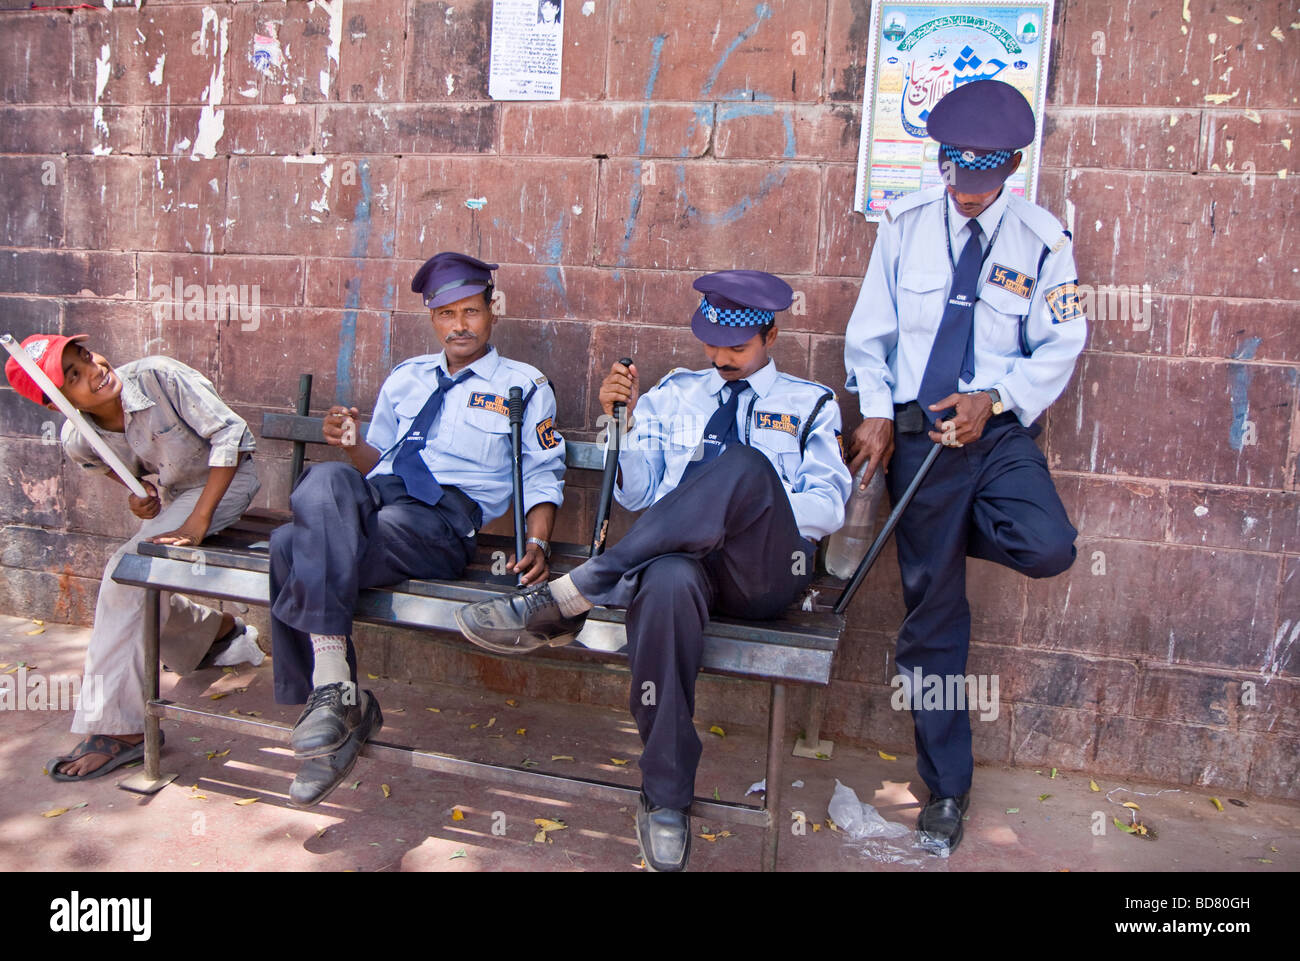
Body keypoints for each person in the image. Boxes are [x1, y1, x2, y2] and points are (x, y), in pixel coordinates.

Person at [455, 270, 852, 871]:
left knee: (743, 468)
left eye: (737, 348)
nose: (721, 359)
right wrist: (623, 422)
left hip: (759, 571)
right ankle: (666, 797)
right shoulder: (672, 394)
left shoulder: (810, 403)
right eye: (713, 344)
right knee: (666, 579)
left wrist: (738, 502)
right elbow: (638, 495)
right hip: (673, 566)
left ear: (770, 333)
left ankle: (578, 590)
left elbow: (826, 505)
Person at [843, 79, 1087, 854]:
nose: (968, 190)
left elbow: (1063, 343)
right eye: (956, 171)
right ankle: (947, 786)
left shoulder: (1047, 241)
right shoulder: (904, 225)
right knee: (934, 617)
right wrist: (878, 410)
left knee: (1048, 545)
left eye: (985, 176)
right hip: (920, 440)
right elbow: (869, 336)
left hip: (998, 431)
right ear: (941, 160)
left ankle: (942, 538)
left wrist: (996, 397)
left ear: (1013, 164)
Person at [269, 252, 566, 807]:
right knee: (323, 479)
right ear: (433, 319)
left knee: (291, 546)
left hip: (441, 525)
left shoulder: (523, 386)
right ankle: (337, 693)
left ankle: (332, 718)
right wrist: (349, 442)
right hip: (380, 503)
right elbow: (372, 463)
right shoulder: (407, 378)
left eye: (471, 312)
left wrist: (539, 541)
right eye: (447, 315)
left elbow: (545, 473)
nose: (460, 326)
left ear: (491, 313)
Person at [5, 335, 264, 781]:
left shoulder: (158, 376)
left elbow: (232, 437)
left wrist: (197, 522)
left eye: (84, 357)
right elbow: (113, 468)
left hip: (229, 481)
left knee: (125, 576)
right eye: (73, 376)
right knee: (138, 578)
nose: (94, 370)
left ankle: (120, 730)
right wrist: (136, 493)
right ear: (57, 403)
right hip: (180, 496)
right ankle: (215, 634)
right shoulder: (78, 435)